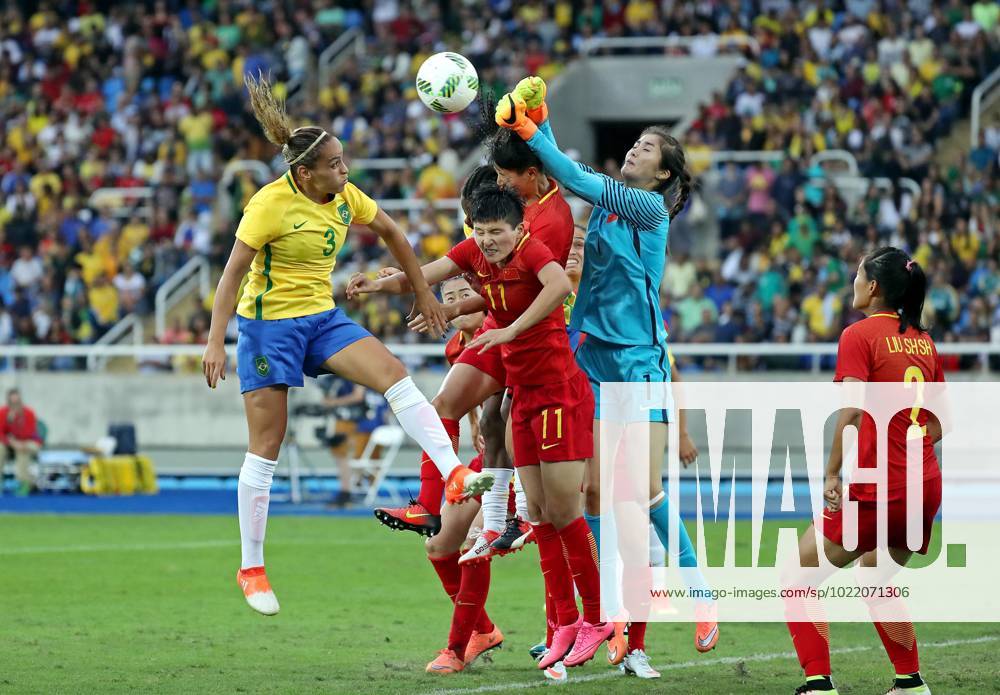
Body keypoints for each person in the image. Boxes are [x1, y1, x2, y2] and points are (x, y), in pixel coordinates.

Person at [201, 73, 495, 617]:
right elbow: (231, 274)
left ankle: (453, 471)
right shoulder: (268, 206)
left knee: (395, 375)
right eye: (336, 164)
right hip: (268, 327)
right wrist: (217, 340)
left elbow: (393, 235)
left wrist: (425, 293)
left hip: (321, 318)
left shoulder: (343, 197)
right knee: (266, 444)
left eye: (344, 161)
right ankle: (251, 565)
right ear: (304, 172)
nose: (346, 170)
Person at [496, 77, 719, 675]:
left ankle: (700, 597)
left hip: (638, 360)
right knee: (593, 492)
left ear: (665, 175)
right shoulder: (609, 203)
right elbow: (573, 177)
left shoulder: (649, 210)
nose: (635, 151)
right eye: (636, 145)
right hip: (590, 358)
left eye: (649, 149)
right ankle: (607, 617)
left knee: (642, 490)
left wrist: (528, 128)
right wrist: (538, 123)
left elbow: (574, 177)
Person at [349, 186, 606, 673]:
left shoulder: (532, 255)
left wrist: (508, 331)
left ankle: (593, 618)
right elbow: (427, 277)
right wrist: (382, 286)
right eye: (480, 232)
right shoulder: (473, 283)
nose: (486, 241)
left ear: (518, 229)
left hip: (554, 397)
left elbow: (560, 286)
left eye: (496, 232)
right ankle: (561, 624)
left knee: (565, 512)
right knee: (517, 524)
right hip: (523, 403)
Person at [785, 247, 942, 695]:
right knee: (875, 576)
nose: (852, 283)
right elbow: (940, 421)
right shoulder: (923, 341)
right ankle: (910, 683)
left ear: (872, 287)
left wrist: (833, 473)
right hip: (924, 485)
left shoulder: (859, 336)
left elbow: (850, 412)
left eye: (857, 275)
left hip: (881, 487)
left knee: (796, 578)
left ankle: (818, 685)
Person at [0, 388, 42, 496]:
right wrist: (9, 421)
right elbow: (1, 432)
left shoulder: (28, 413)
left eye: (16, 401)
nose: (14, 404)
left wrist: (15, 423)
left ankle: (23, 483)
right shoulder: (3, 412)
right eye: (12, 402)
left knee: (23, 451)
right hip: (11, 443)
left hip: (28, 442)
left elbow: (28, 433)